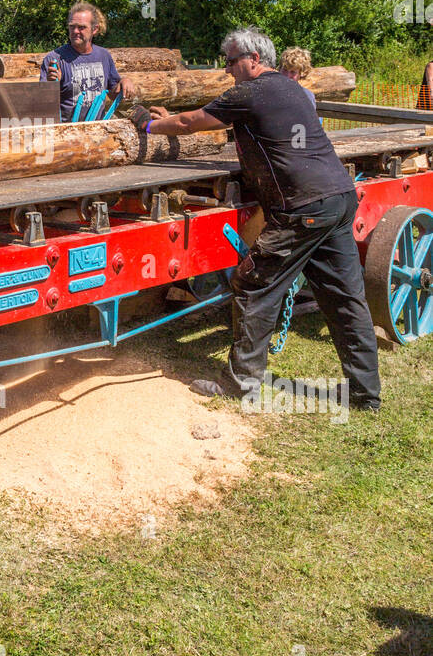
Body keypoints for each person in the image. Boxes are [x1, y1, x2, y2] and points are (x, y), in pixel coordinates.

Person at [146, 25, 381, 411]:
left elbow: (192, 123)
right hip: (338, 199)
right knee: (346, 298)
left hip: (302, 209)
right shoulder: (293, 89)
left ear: (254, 60)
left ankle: (241, 384)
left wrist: (150, 125)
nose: (227, 70)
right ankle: (365, 394)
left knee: (255, 284)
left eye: (232, 62)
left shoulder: (251, 92)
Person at [39, 1, 133, 121]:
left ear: (94, 29)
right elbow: (42, 105)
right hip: (66, 132)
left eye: (81, 27)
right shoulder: (54, 59)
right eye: (72, 26)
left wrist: (125, 81)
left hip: (97, 130)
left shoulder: (104, 56)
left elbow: (113, 94)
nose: (75, 31)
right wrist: (51, 86)